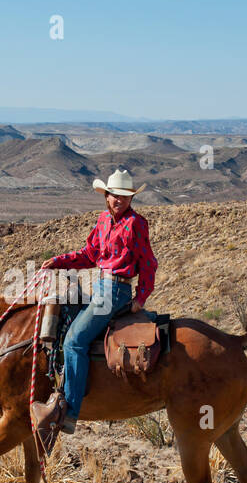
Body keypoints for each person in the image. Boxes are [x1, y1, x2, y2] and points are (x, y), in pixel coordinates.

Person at [33, 168, 157, 442]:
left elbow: (148, 262)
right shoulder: (103, 221)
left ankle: (70, 411)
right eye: (115, 195)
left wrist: (141, 296)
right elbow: (89, 254)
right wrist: (59, 261)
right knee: (64, 317)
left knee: (75, 340)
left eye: (125, 196)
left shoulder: (136, 223)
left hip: (116, 289)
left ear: (130, 199)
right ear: (107, 195)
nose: (119, 200)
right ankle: (58, 385)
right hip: (99, 284)